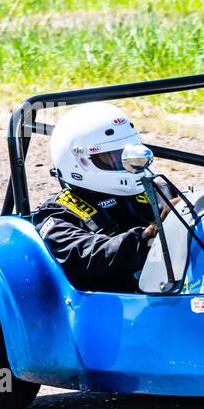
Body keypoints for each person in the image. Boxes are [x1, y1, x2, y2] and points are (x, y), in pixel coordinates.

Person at [32, 102, 165, 292]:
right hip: (114, 305)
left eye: (127, 155)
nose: (128, 165)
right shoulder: (57, 215)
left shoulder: (156, 189)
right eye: (113, 157)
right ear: (80, 161)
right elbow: (90, 256)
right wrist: (147, 237)